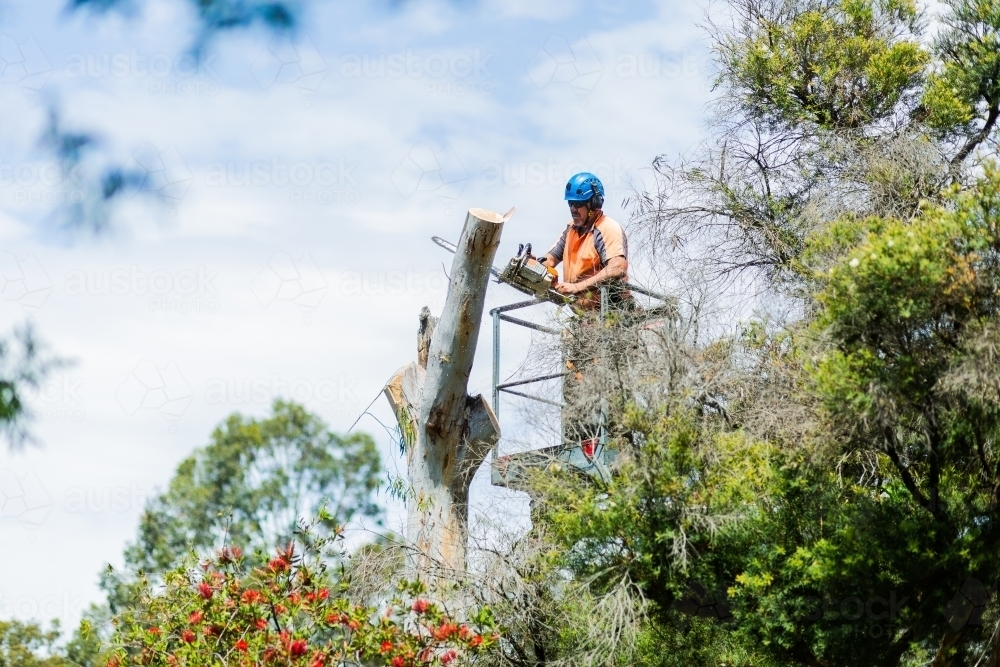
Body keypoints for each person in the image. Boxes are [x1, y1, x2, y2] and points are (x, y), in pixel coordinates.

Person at [542, 172, 631, 312]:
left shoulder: (607, 228)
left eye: (578, 203)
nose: (572, 209)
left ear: (594, 203)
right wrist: (533, 265)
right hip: (586, 319)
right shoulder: (570, 229)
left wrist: (577, 287)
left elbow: (617, 268)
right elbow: (550, 260)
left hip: (614, 314)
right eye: (570, 203)